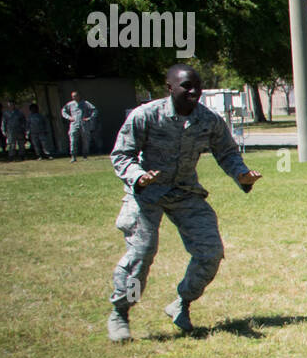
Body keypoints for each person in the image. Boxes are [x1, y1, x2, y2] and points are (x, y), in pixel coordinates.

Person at [106, 64, 262, 341]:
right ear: (170, 88)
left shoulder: (209, 120)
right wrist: (138, 177)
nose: (193, 92)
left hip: (185, 192)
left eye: (197, 86)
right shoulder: (146, 115)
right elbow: (122, 154)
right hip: (147, 193)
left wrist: (242, 175)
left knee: (210, 252)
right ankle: (121, 312)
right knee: (142, 253)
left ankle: (182, 303)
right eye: (186, 86)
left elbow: (226, 152)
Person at [61, 90, 97, 161]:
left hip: (84, 124)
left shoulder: (85, 103)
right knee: (73, 140)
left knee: (85, 140)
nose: (74, 97)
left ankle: (85, 155)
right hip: (74, 124)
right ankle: (73, 156)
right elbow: (63, 111)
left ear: (79, 96)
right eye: (72, 96)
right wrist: (69, 117)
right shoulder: (70, 104)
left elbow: (95, 110)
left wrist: (89, 118)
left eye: (75, 96)